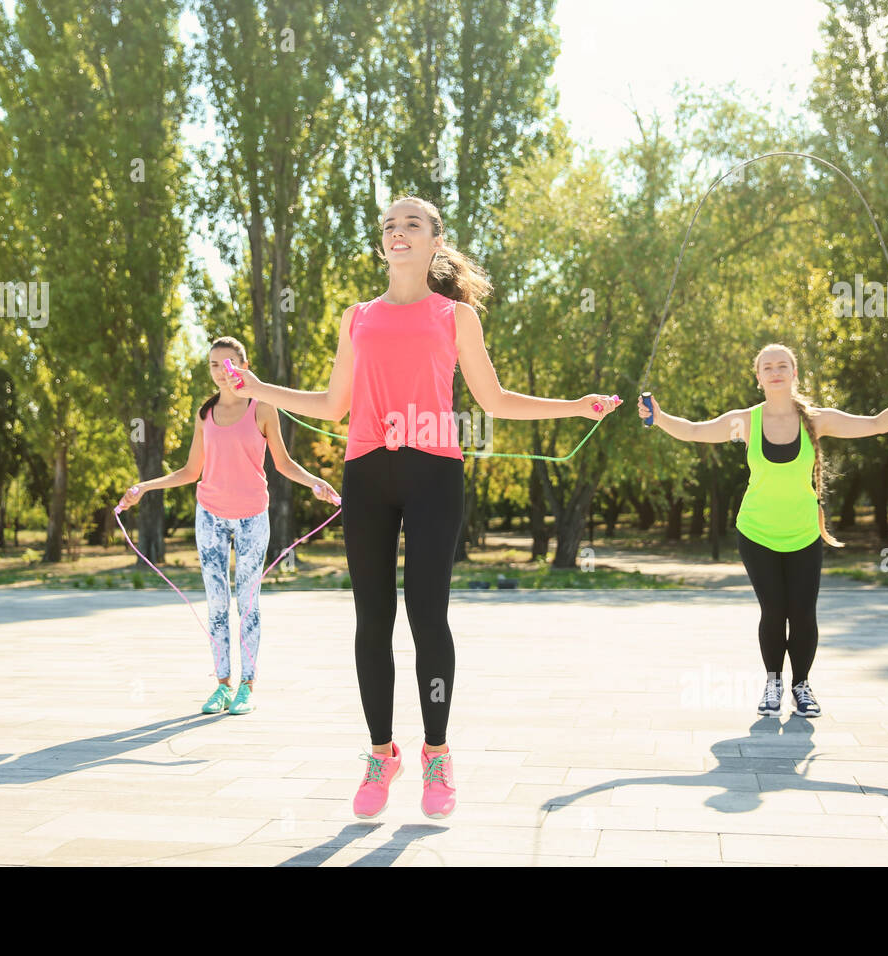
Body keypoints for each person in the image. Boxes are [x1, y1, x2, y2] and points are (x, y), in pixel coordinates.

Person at [227, 195, 621, 820]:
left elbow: (493, 400)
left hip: (435, 473)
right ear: (382, 243)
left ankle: (437, 755)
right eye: (389, 225)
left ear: (435, 240)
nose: (398, 232)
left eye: (411, 223)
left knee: (427, 615)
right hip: (367, 473)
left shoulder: (455, 317)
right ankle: (381, 753)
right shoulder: (356, 317)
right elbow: (333, 404)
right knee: (371, 617)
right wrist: (256, 388)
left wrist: (575, 405)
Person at [642, 343, 888, 718]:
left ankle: (802, 686)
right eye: (768, 367)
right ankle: (773, 682)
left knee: (803, 612)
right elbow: (696, 431)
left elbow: (875, 423)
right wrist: (659, 416)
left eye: (783, 365)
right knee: (773, 609)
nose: (776, 371)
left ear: (794, 373)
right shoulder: (745, 421)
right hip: (756, 532)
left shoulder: (815, 419)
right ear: (759, 377)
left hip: (803, 534)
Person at [118, 336, 338, 716]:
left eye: (228, 363)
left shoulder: (263, 408)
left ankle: (247, 686)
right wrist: (145, 486)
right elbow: (191, 471)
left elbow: (283, 464)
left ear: (244, 364)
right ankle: (222, 684)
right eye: (214, 365)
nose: (222, 372)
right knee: (217, 604)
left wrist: (316, 483)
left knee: (247, 603)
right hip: (210, 517)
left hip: (253, 516)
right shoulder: (205, 415)